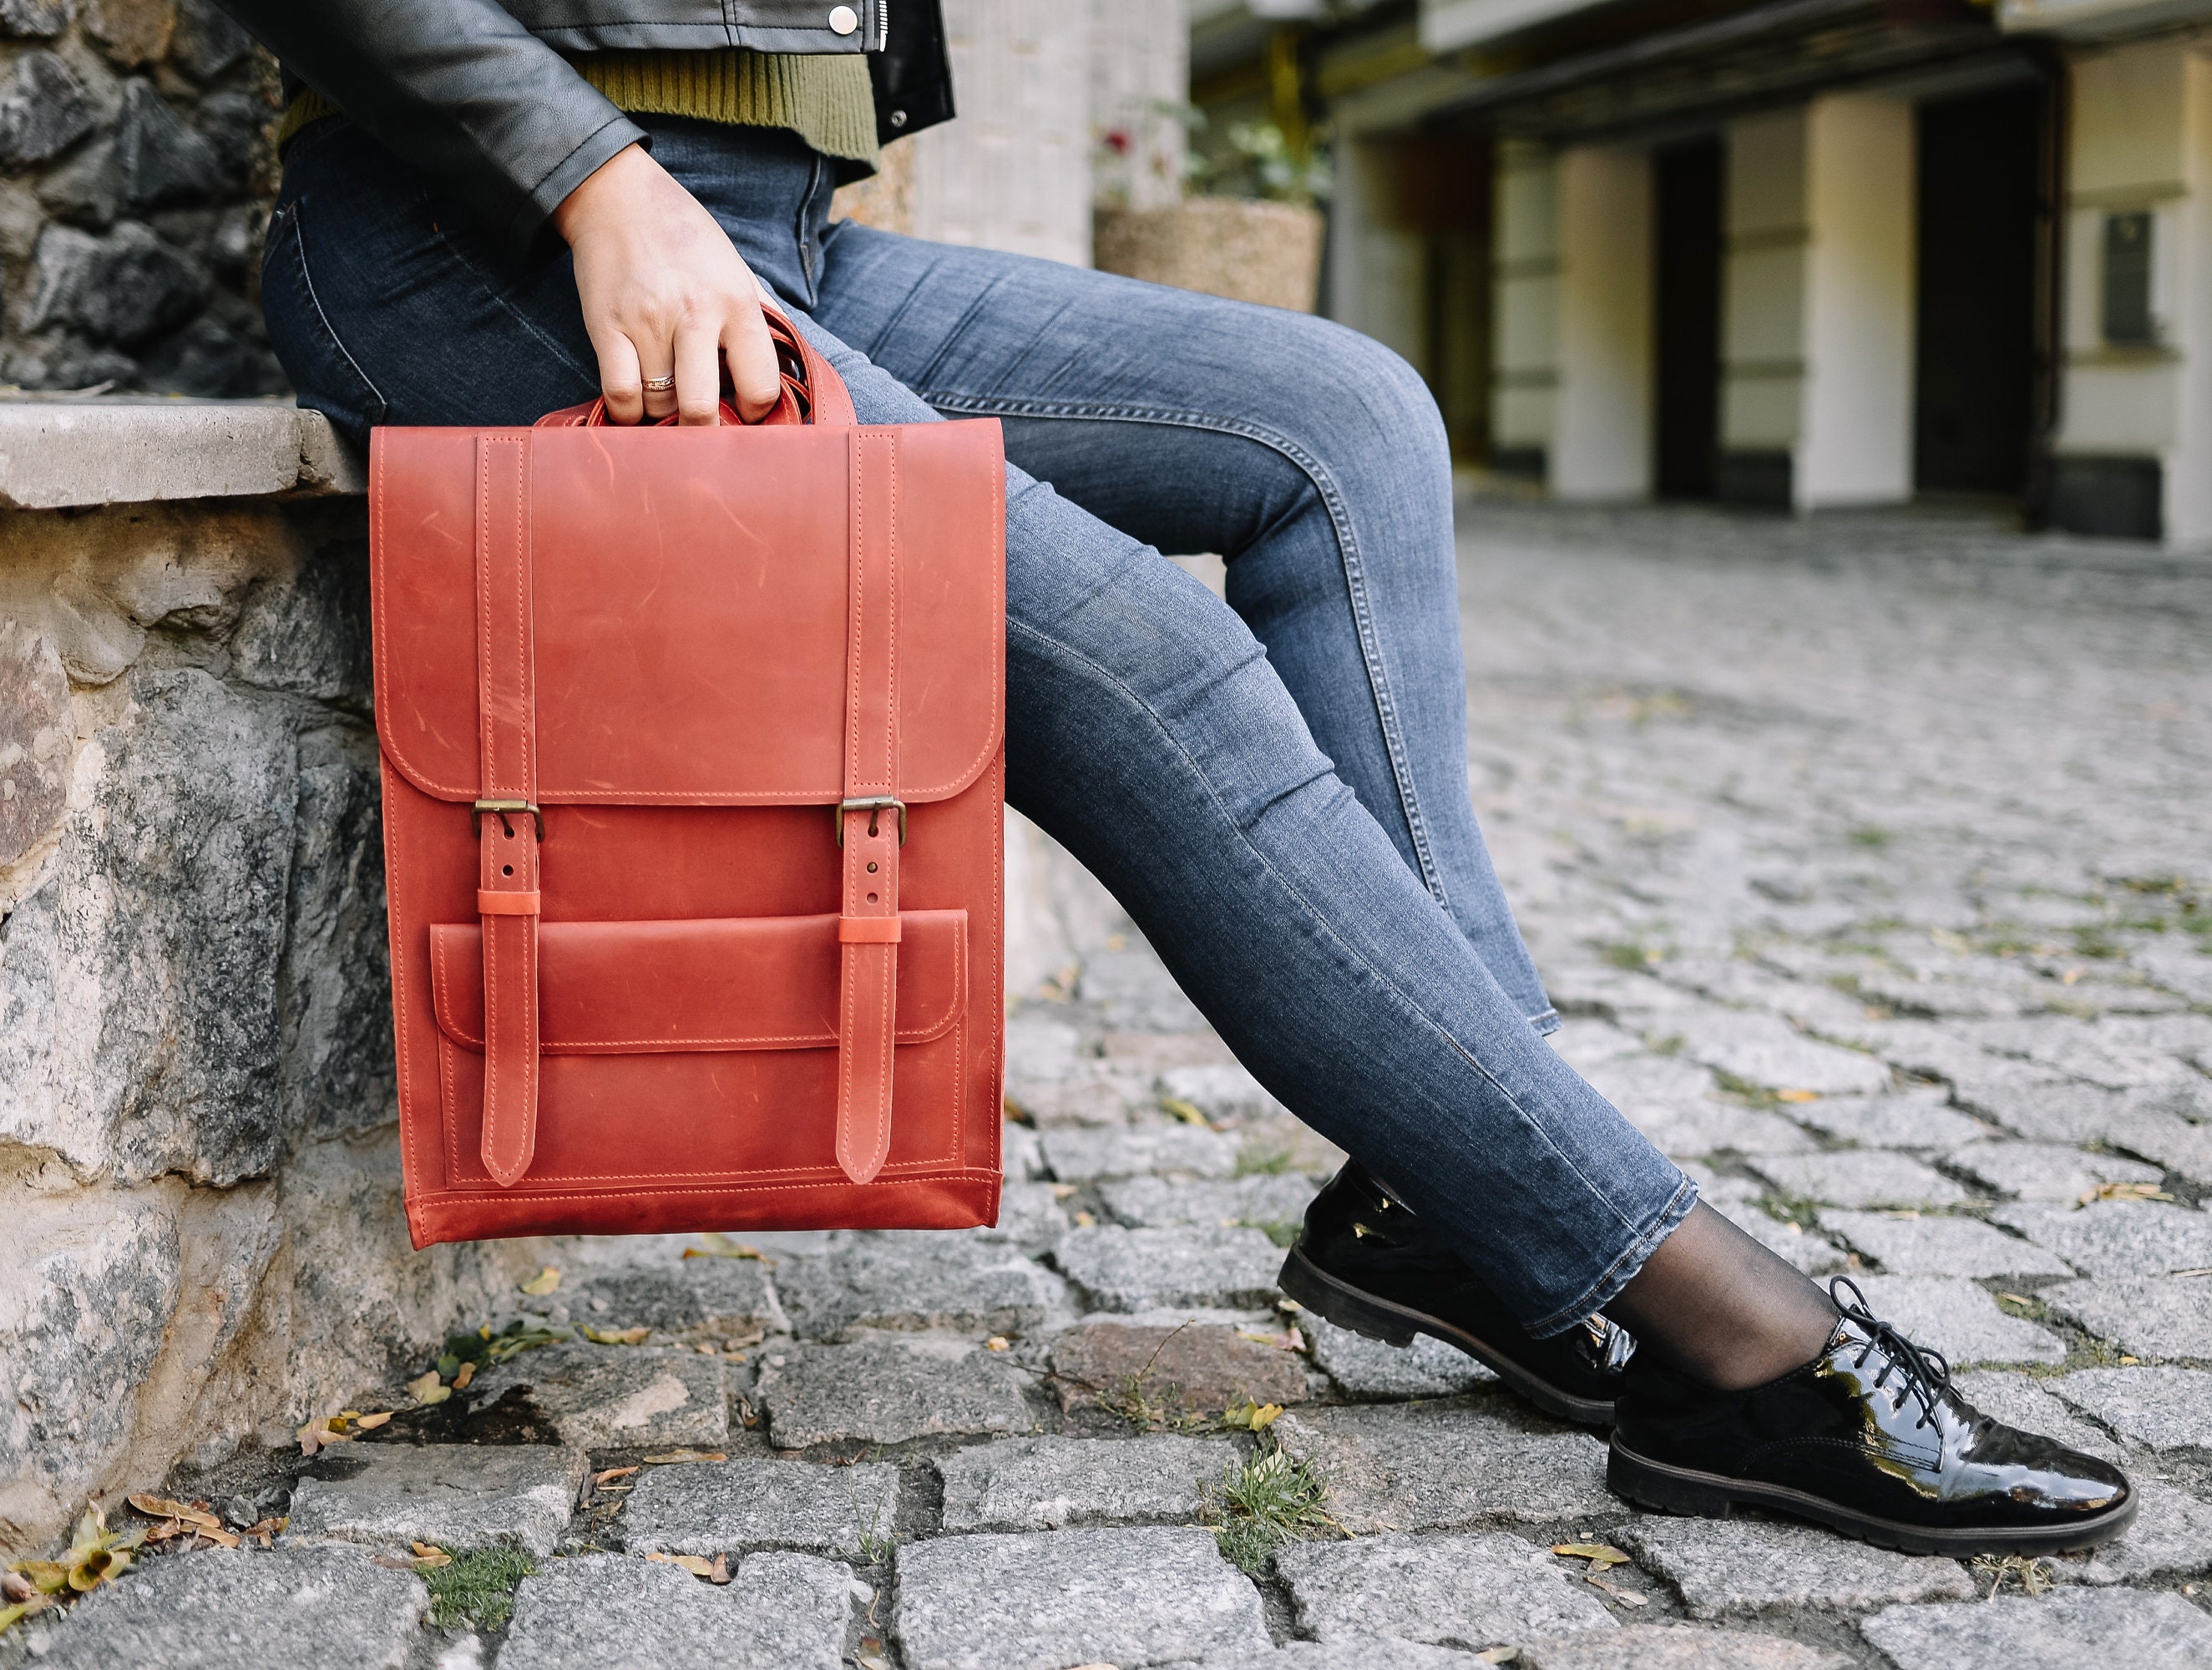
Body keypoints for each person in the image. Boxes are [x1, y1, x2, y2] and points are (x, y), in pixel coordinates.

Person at [217, 0, 2134, 1557]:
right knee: (1153, 653)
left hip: (767, 219)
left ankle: (1452, 1187)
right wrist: (587, 173)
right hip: (490, 226)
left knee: (1341, 420)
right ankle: (1719, 1333)